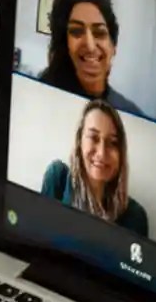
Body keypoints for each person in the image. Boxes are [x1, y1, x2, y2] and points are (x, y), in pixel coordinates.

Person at [41, 99, 149, 235]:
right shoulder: (58, 179)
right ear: (79, 141)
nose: (102, 153)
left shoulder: (135, 217)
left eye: (113, 142)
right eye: (94, 137)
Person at [39, 0, 143, 116]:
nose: (90, 45)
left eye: (99, 33)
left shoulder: (130, 113)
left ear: (113, 47)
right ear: (62, 43)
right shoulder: (40, 98)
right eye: (76, 31)